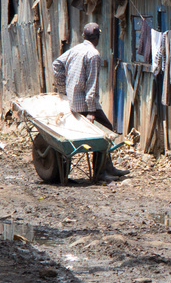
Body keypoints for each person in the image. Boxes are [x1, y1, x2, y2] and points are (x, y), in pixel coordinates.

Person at [52, 22, 129, 179]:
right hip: (85, 105)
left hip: (72, 101)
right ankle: (101, 172)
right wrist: (91, 111)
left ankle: (108, 167)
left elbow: (56, 64)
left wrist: (63, 89)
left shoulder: (75, 49)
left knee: (104, 130)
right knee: (106, 131)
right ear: (98, 37)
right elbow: (92, 84)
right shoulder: (93, 54)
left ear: (83, 36)